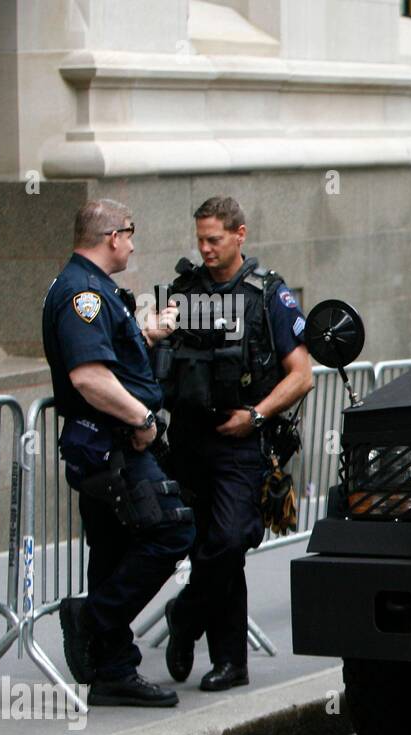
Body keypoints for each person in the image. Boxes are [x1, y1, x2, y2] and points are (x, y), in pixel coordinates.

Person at [44, 199, 194, 707]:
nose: (133, 243)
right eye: (130, 233)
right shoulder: (83, 293)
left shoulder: (93, 290)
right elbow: (88, 376)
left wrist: (146, 332)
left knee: (111, 552)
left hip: (104, 446)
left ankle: (112, 669)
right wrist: (143, 419)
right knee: (174, 530)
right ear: (112, 236)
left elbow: (109, 355)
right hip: (115, 444)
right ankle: (93, 617)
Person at [159, 196, 312, 691]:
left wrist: (257, 414)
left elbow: (302, 375)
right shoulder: (186, 292)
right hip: (189, 442)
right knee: (213, 548)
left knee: (228, 540)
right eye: (200, 239)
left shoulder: (268, 294)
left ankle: (184, 616)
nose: (204, 248)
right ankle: (231, 662)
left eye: (214, 239)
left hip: (242, 441)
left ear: (239, 235)